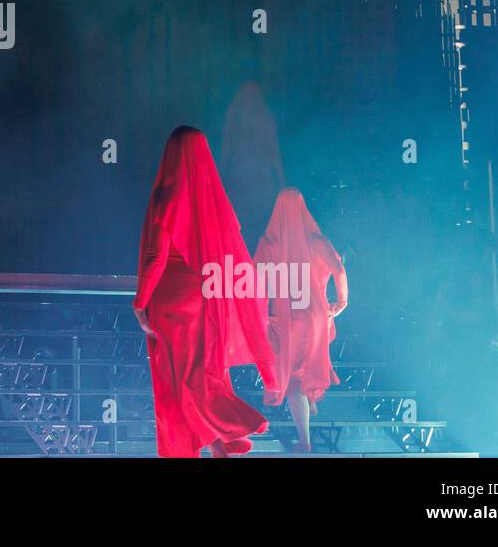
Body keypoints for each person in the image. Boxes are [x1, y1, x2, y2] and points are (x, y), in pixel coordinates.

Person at [133, 126, 281, 457]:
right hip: (206, 300)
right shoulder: (216, 202)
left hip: (171, 302)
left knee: (180, 384)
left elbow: (156, 257)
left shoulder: (166, 196)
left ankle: (221, 437)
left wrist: (140, 303)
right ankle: (219, 447)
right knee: (200, 381)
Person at [253, 187, 348, 453]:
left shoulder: (269, 242)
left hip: (285, 318)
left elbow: (255, 279)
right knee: (312, 362)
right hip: (316, 316)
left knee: (293, 378)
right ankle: (312, 399)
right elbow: (339, 269)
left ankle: (304, 441)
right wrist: (342, 301)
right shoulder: (317, 240)